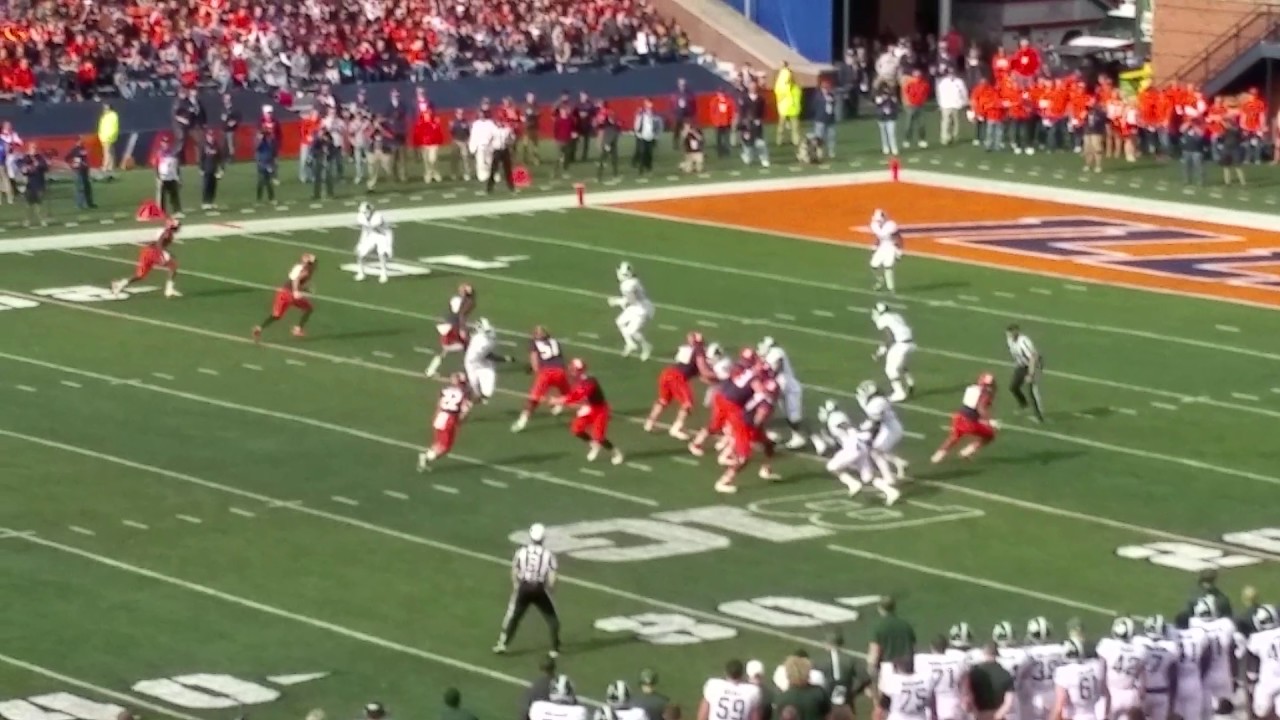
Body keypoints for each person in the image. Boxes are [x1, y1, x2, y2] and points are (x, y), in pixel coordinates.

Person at [495, 522, 561, 657]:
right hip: (538, 588)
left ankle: (503, 644)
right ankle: (554, 649)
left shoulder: (521, 552)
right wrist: (551, 589)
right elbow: (552, 575)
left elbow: (515, 569)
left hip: (524, 587)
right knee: (551, 618)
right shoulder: (548, 554)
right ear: (543, 538)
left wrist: (516, 585)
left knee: (515, 617)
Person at [867, 596, 916, 687]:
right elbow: (913, 647)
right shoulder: (906, 625)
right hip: (906, 667)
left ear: (880, 608)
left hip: (887, 668)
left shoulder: (879, 627)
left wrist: (871, 668)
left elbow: (875, 651)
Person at [967, 643, 1016, 720]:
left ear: (984, 653)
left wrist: (976, 713)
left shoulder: (974, 673)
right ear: (997, 655)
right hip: (998, 715)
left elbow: (968, 696)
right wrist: (998, 715)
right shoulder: (1005, 673)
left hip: (980, 714)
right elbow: (1009, 702)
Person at [19, 143, 49, 227]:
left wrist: (37, 164)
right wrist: (25, 169)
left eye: (35, 147)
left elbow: (45, 167)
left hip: (39, 183)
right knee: (28, 204)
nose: (34, 149)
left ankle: (42, 220)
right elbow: (23, 169)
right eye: (32, 147)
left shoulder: (40, 157)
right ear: (29, 148)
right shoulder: (26, 158)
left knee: (39, 204)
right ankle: (27, 220)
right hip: (30, 184)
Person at [65, 137, 94, 210]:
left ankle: (89, 203)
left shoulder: (83, 148)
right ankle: (79, 204)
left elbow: (85, 158)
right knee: (80, 187)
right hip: (78, 171)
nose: (82, 142)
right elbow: (67, 158)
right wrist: (71, 165)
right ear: (77, 141)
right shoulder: (75, 150)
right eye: (80, 140)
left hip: (84, 170)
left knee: (87, 187)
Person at [633, 100, 661, 175]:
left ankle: (649, 168)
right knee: (642, 153)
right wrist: (637, 132)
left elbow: (658, 125)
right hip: (643, 136)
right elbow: (637, 123)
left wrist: (656, 135)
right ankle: (641, 169)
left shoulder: (655, 115)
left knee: (649, 153)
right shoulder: (641, 114)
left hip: (651, 136)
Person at [199, 129, 223, 210]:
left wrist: (221, 169)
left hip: (214, 169)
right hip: (206, 169)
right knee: (206, 186)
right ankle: (205, 202)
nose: (211, 137)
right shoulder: (204, 145)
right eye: (209, 136)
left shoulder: (216, 145)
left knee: (213, 186)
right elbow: (201, 158)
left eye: (212, 136)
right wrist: (201, 168)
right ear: (207, 136)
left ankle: (211, 202)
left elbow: (220, 158)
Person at [255, 129, 278, 204]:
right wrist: (266, 167)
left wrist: (271, 167)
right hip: (262, 165)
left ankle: (271, 198)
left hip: (268, 164)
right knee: (261, 182)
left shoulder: (270, 144)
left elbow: (272, 156)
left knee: (268, 183)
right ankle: (259, 199)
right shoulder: (260, 144)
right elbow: (259, 158)